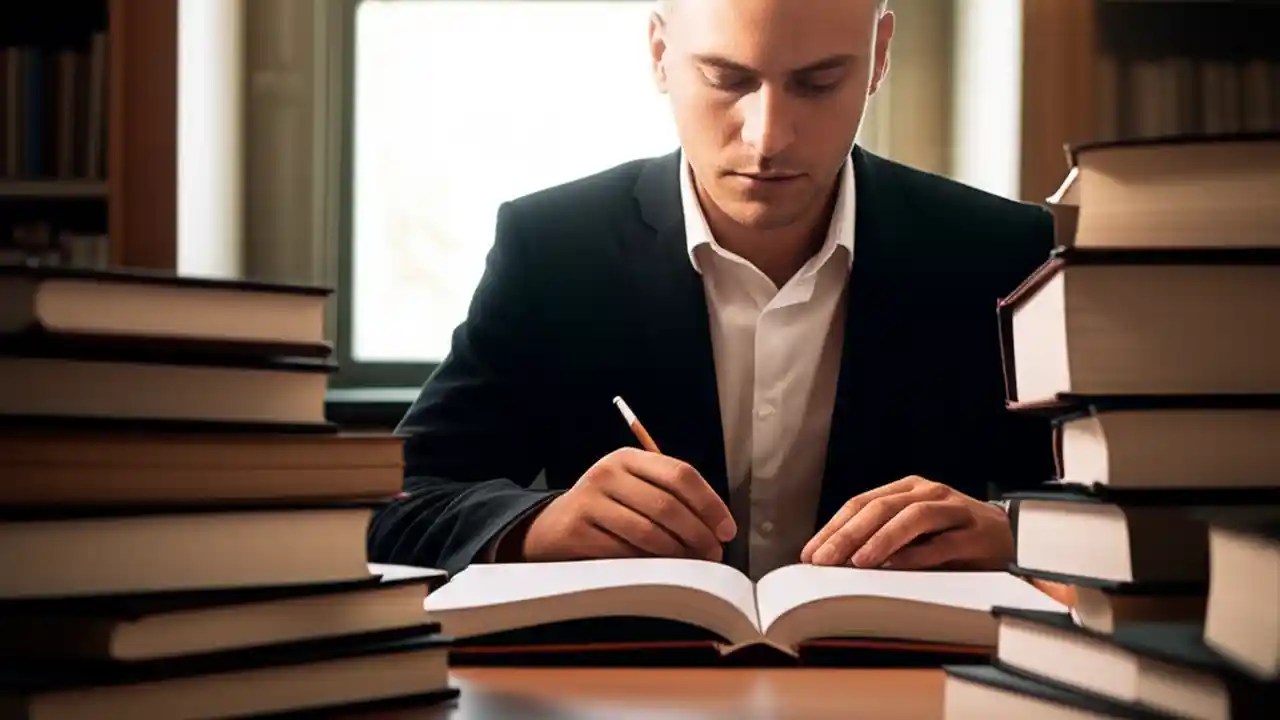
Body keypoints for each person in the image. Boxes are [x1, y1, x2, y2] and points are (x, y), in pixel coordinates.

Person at [368, 0, 1053, 580]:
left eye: (818, 84)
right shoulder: (551, 248)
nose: (768, 138)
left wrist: (1014, 533)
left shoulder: (997, 251)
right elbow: (391, 504)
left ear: (879, 54)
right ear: (660, 52)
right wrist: (535, 528)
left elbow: (1116, 517)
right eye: (726, 78)